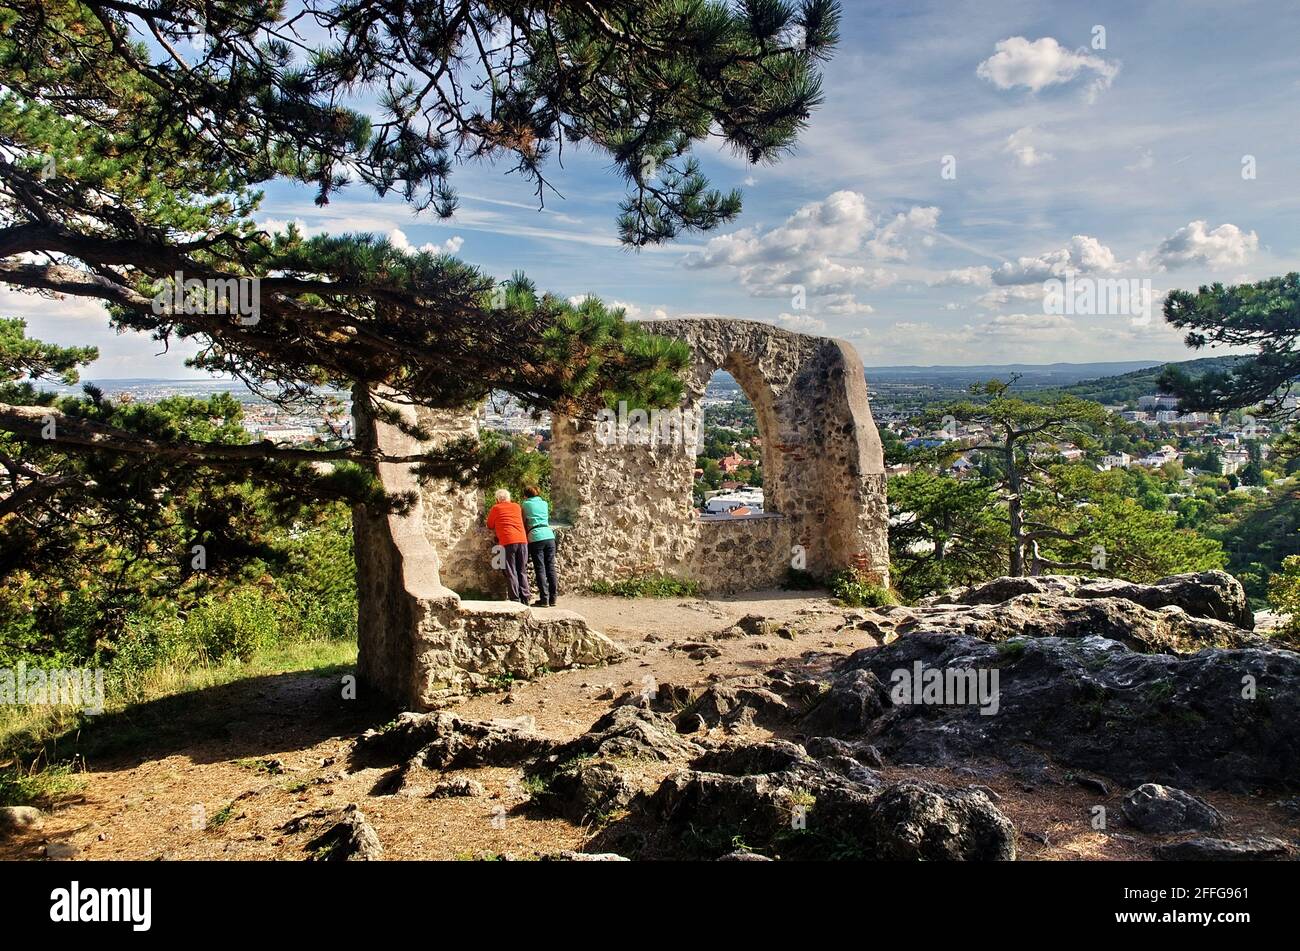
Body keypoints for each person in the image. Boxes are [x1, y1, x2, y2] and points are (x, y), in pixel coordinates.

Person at [485, 488, 530, 604]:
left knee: (511, 570)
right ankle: (525, 598)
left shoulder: (496, 508)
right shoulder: (516, 506)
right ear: (509, 498)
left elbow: (489, 525)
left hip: (508, 541)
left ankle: (515, 598)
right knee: (522, 570)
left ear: (497, 499)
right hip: (522, 540)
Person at [521, 485, 558, 607]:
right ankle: (553, 598)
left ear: (525, 495)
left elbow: (523, 521)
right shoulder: (544, 503)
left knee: (540, 568)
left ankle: (544, 599)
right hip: (549, 535)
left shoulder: (525, 504)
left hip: (536, 536)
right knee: (551, 568)